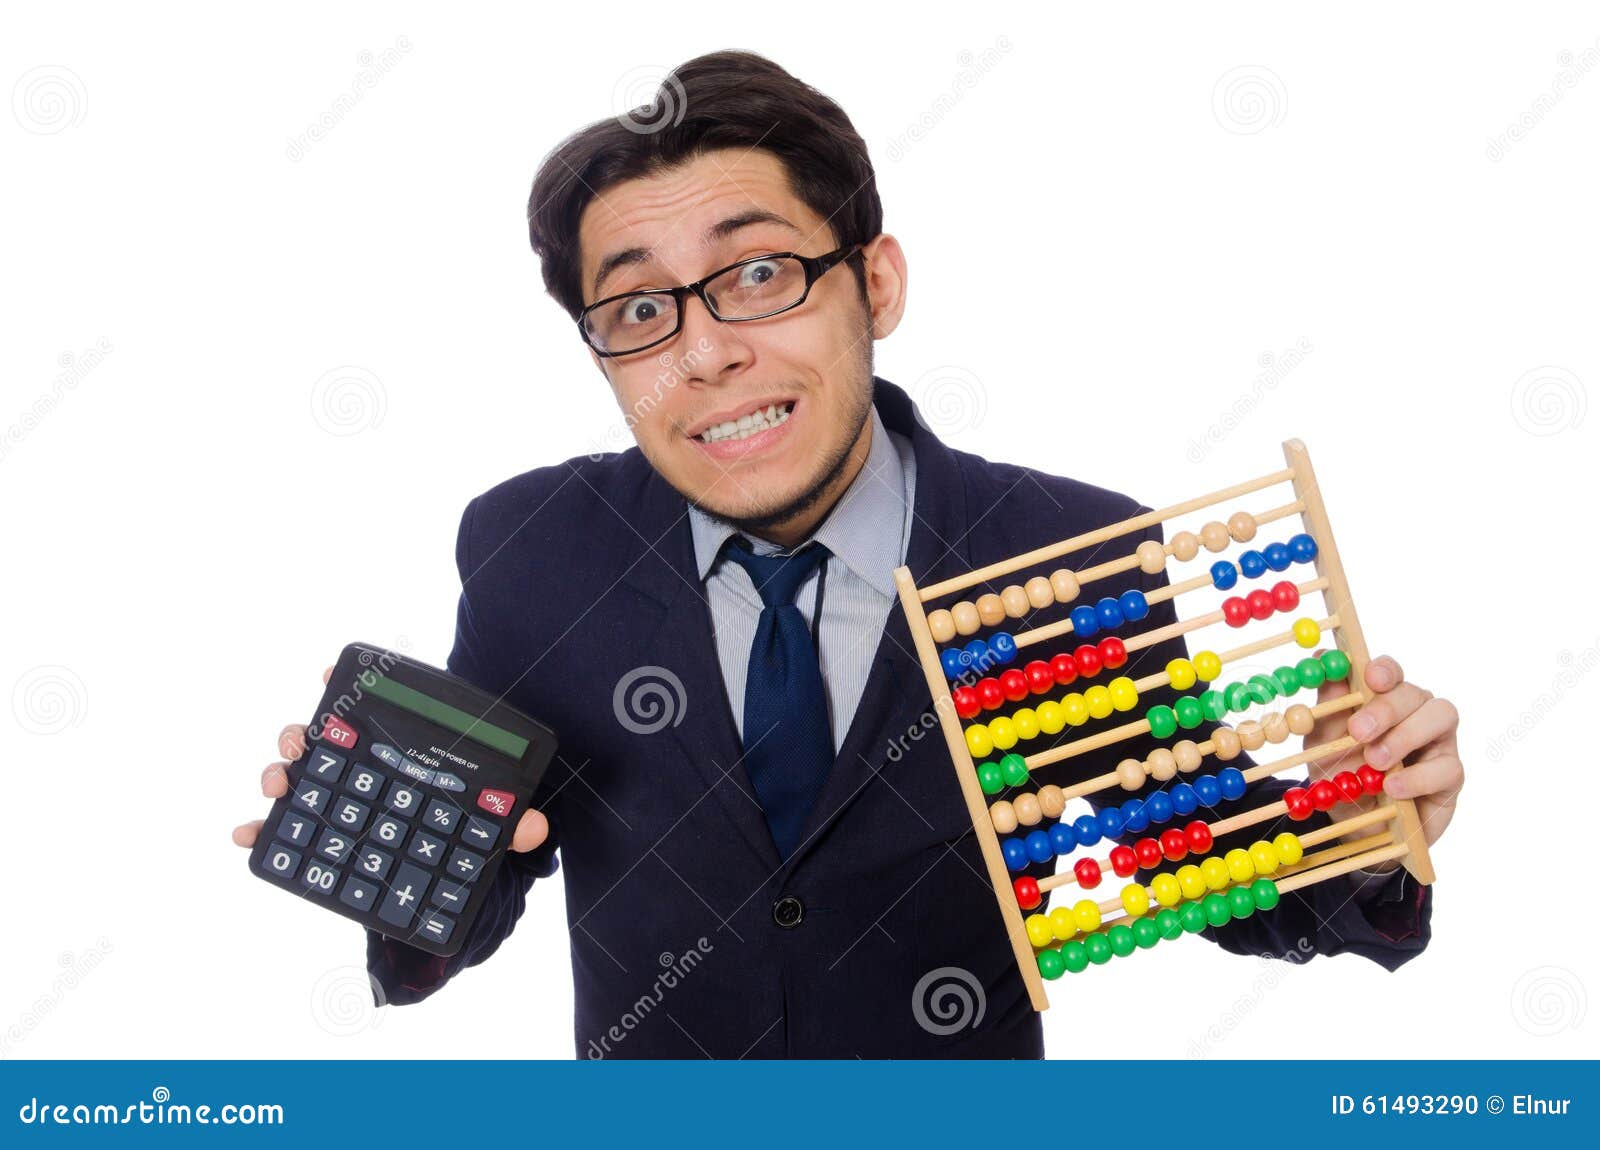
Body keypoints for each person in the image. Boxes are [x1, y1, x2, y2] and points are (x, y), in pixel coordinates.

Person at [232, 50, 1465, 1058]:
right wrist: (397, 861)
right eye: (638, 309)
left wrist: (1355, 815)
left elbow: (1221, 870)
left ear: (874, 284)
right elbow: (476, 884)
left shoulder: (1063, 552)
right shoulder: (533, 547)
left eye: (759, 273)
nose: (704, 353)